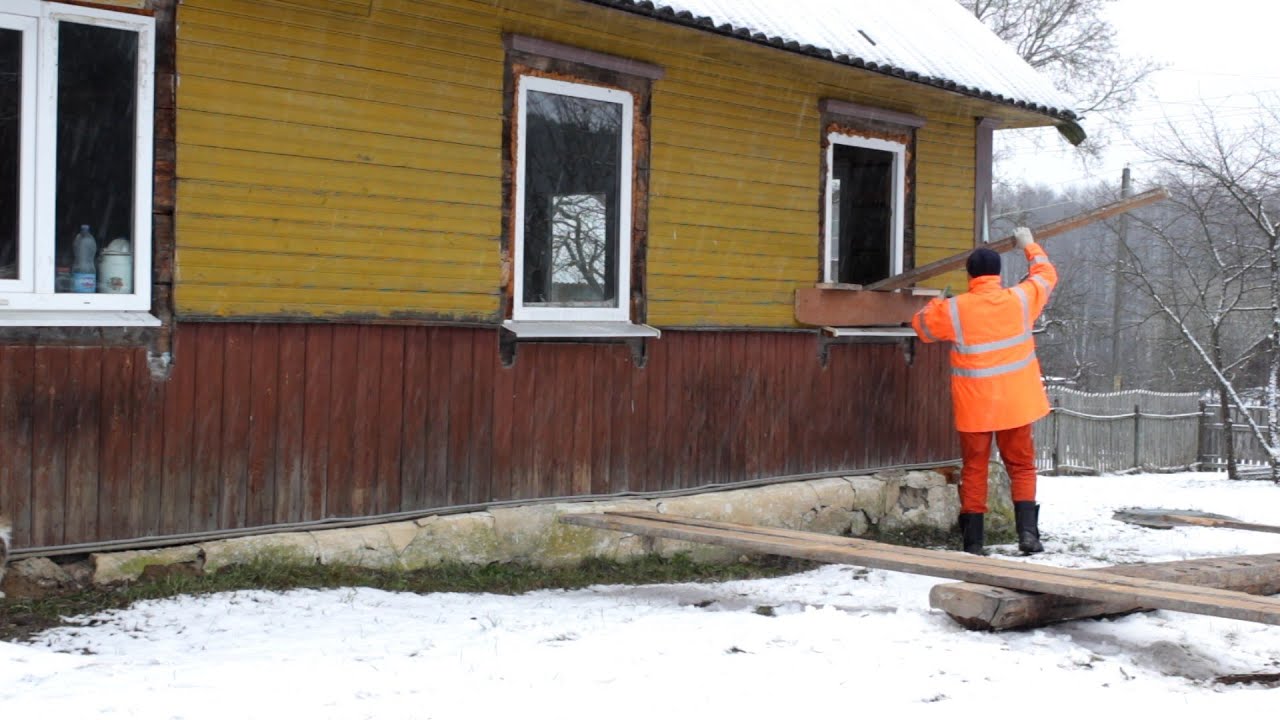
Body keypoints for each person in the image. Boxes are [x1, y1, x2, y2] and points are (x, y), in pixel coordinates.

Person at [911, 227, 1057, 555]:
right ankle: (1028, 534)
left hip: (975, 406)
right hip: (1016, 404)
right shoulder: (1020, 300)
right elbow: (1046, 275)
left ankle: (973, 541)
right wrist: (1030, 245)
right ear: (998, 273)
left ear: (969, 275)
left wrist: (938, 300)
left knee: (975, 468)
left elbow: (921, 327)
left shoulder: (955, 309)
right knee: (1021, 466)